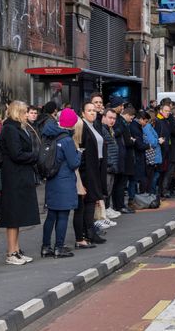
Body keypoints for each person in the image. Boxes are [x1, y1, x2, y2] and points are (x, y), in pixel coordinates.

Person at [0, 101, 40, 265]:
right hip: (14, 176)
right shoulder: (10, 129)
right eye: (24, 112)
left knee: (18, 216)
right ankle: (11, 252)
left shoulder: (17, 127)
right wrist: (35, 156)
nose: (26, 115)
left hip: (20, 175)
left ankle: (16, 250)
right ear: (17, 113)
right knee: (13, 216)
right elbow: (16, 154)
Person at [41, 108, 81, 258]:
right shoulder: (67, 140)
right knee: (63, 215)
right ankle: (59, 247)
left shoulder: (51, 135)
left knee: (51, 215)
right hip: (64, 182)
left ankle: (45, 247)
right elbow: (74, 163)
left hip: (52, 180)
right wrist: (79, 153)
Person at [75, 102, 107, 246]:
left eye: (94, 110)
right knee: (88, 202)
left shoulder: (95, 126)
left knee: (92, 201)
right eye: (89, 111)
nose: (93, 113)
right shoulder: (82, 127)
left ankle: (89, 231)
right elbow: (80, 150)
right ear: (83, 113)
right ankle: (87, 233)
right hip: (87, 170)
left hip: (97, 167)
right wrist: (82, 174)